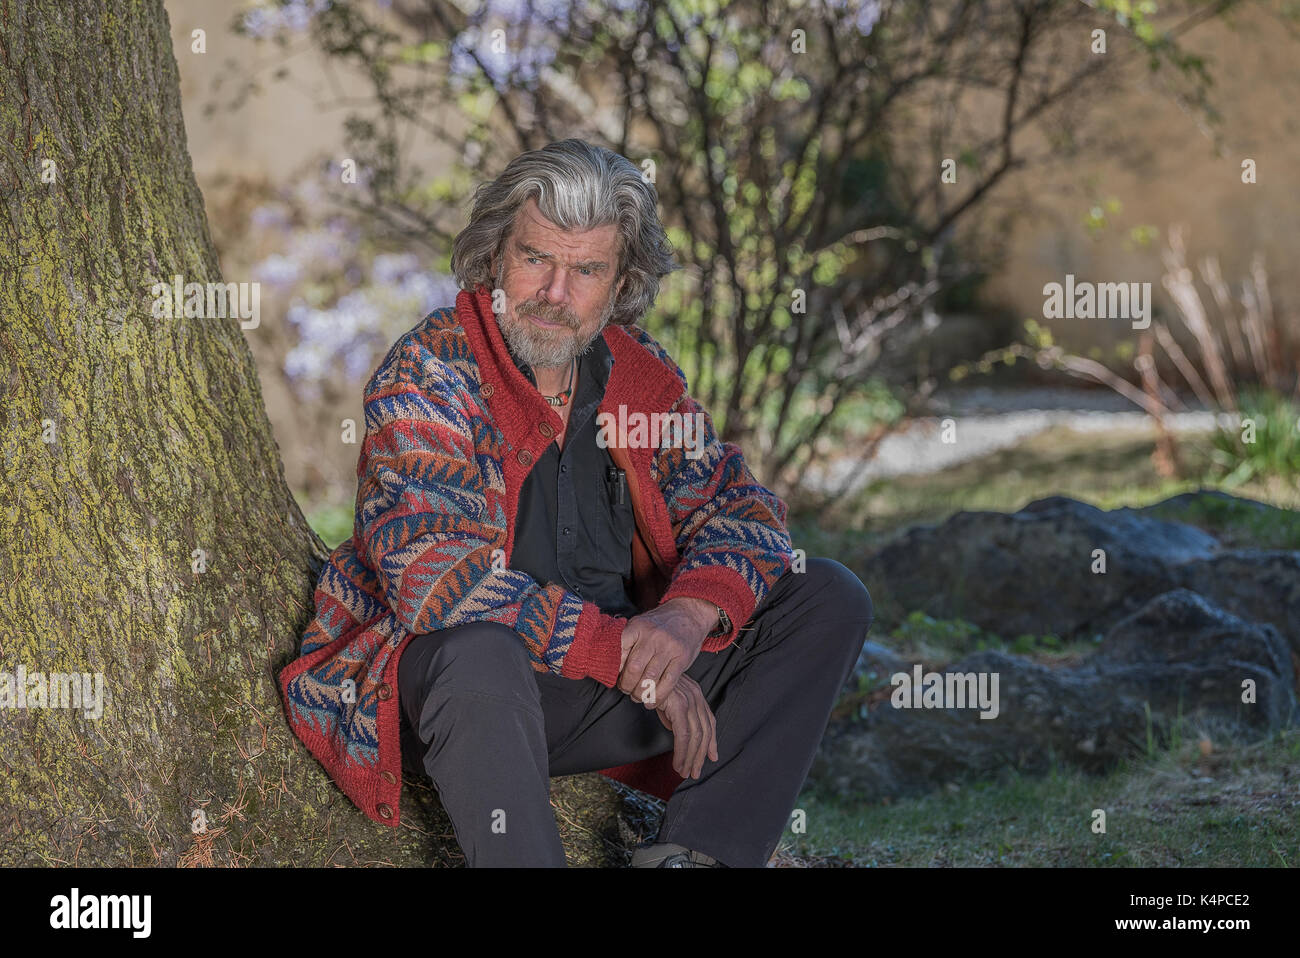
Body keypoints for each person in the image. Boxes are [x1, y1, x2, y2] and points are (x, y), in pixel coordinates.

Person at [279, 138, 874, 868]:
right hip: (464, 701)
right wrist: (620, 649)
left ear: (622, 280)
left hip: (616, 687)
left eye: (586, 269)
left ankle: (695, 857)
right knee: (479, 654)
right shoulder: (432, 372)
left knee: (824, 596)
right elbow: (432, 580)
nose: (555, 294)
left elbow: (744, 515)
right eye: (536, 259)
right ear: (495, 256)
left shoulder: (638, 375)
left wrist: (683, 624)